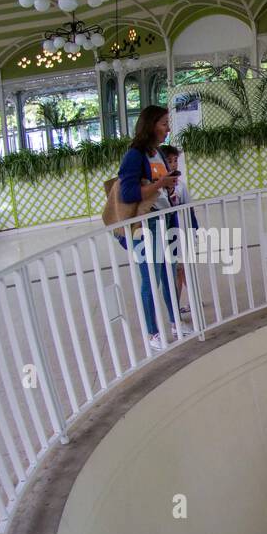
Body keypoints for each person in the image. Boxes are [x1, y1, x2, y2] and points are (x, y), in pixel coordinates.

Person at [116, 105, 184, 351]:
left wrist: (168, 186)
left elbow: (159, 186)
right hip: (146, 225)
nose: (168, 128)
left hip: (164, 220)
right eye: (164, 123)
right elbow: (128, 193)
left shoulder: (156, 153)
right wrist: (161, 184)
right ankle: (152, 333)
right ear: (151, 125)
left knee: (168, 274)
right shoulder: (135, 155)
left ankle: (176, 322)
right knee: (150, 278)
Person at [159, 144, 195, 318]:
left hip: (180, 233)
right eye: (169, 161)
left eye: (175, 161)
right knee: (176, 271)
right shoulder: (158, 189)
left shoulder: (181, 186)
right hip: (167, 236)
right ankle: (178, 307)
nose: (173, 164)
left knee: (181, 269)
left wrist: (194, 229)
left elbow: (190, 209)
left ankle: (190, 302)